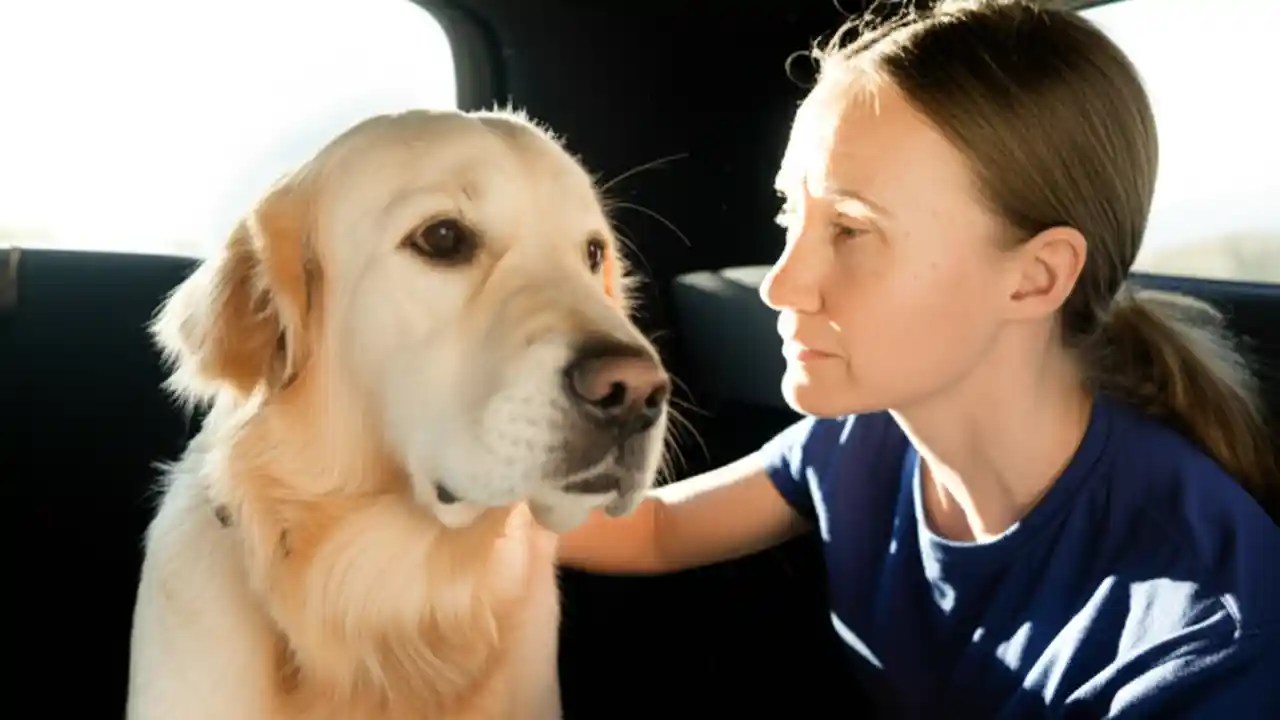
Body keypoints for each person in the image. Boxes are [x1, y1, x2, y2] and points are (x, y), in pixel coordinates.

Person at [557, 1, 1280, 717]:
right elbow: (652, 530)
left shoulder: (1202, 635)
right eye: (791, 215)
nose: (781, 284)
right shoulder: (860, 437)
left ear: (1036, 277)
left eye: (850, 229)